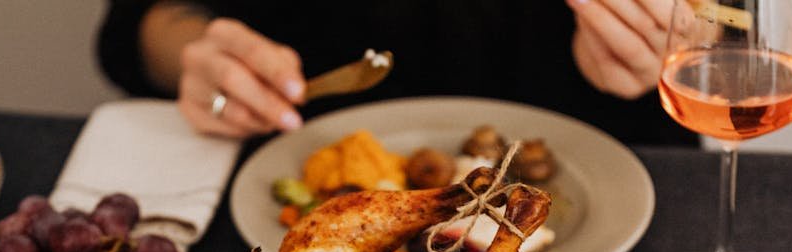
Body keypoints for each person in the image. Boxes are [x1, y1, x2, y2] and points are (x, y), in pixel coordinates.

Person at [99, 0, 695, 145]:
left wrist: (672, 32)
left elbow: (729, 27)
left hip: (604, 159)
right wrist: (198, 54)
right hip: (283, 176)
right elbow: (139, 24)